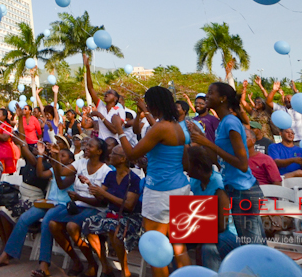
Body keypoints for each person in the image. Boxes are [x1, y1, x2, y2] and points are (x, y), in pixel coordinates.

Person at [110, 87, 190, 276]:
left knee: (156, 248)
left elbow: (131, 154)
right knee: (180, 247)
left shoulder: (161, 127)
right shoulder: (178, 127)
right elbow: (185, 162)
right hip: (181, 187)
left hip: (160, 191)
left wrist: (120, 129)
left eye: (147, 103)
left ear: (153, 104)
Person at [188, 82, 267, 246]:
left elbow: (243, 164)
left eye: (210, 93)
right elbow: (218, 161)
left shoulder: (230, 122)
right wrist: (201, 136)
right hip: (234, 187)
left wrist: (208, 143)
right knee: (249, 244)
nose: (206, 96)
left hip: (244, 190)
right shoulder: (223, 123)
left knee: (253, 245)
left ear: (223, 99)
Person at [0, 141, 75, 269]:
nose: (60, 158)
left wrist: (56, 163)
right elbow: (40, 174)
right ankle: (8, 254)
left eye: (63, 156)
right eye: (59, 155)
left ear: (71, 160)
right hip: (49, 203)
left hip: (62, 205)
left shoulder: (72, 172)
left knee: (46, 222)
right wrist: (40, 155)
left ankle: (44, 264)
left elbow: (62, 184)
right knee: (23, 219)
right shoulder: (54, 168)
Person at [43, 138, 112, 277]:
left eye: (90, 146)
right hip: (78, 206)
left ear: (99, 152)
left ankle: (92, 263)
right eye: (86, 145)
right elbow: (61, 172)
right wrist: (55, 156)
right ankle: (77, 261)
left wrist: (80, 198)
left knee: (71, 226)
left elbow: (101, 202)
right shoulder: (80, 163)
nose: (86, 147)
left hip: (96, 209)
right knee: (53, 224)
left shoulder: (106, 171)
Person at [72, 145, 142, 277]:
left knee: (113, 228)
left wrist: (104, 194)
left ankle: (124, 270)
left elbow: (128, 206)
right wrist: (90, 185)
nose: (109, 156)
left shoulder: (134, 179)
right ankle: (105, 266)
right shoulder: (111, 175)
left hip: (129, 216)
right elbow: (101, 197)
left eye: (113, 154)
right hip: (111, 213)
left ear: (122, 159)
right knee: (88, 224)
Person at [185, 145, 238, 270]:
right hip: (207, 228)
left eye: (187, 163)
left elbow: (222, 225)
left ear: (198, 167)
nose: (184, 166)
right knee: (174, 240)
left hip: (228, 233)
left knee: (208, 246)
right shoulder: (195, 182)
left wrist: (198, 235)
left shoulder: (218, 184)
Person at [84, 54, 126, 142]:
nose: (106, 94)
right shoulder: (101, 106)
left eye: (110, 93)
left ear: (115, 99)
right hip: (101, 144)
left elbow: (115, 130)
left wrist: (100, 116)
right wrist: (87, 67)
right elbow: (90, 88)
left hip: (112, 146)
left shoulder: (120, 111)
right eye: (106, 93)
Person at [0, 108, 17, 174]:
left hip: (5, 154)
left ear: (4, 116)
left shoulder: (7, 126)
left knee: (5, 177)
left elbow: (4, 138)